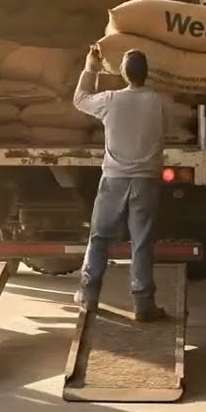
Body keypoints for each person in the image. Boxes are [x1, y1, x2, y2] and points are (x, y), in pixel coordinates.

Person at [72, 45, 170, 322]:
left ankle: (89, 296)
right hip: (146, 181)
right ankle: (143, 304)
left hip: (114, 179)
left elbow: (80, 99)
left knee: (99, 238)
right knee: (142, 242)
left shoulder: (111, 100)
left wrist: (91, 68)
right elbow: (169, 129)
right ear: (147, 73)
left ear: (124, 74)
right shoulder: (160, 102)